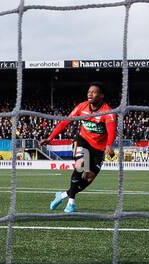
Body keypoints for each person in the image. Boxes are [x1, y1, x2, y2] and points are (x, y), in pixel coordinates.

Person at [43, 83, 117, 214]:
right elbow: (65, 122)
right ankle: (71, 203)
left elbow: (112, 132)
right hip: (83, 140)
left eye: (94, 92)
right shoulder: (81, 107)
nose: (90, 94)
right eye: (89, 91)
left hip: (98, 149)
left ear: (101, 96)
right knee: (80, 164)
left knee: (88, 178)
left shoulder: (108, 112)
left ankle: (62, 195)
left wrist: (109, 145)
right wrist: (51, 137)